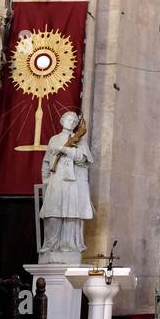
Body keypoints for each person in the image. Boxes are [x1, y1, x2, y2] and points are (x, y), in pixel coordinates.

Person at [39, 109, 94, 261]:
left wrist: (66, 150)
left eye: (74, 121)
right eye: (68, 119)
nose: (71, 122)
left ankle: (68, 244)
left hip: (73, 183)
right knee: (53, 213)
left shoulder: (80, 140)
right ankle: (51, 244)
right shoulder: (54, 139)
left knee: (71, 213)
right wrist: (46, 181)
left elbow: (84, 159)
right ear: (62, 121)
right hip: (57, 180)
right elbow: (46, 162)